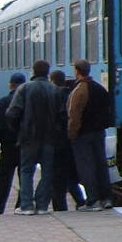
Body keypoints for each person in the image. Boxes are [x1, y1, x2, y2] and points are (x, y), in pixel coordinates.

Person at [6, 59, 66, 215]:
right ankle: (42, 205)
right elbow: (63, 116)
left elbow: (12, 113)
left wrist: (18, 129)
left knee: (26, 170)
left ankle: (26, 205)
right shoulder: (55, 91)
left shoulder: (24, 89)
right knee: (47, 172)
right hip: (49, 138)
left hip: (28, 137)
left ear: (33, 71)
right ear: (47, 72)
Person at [67, 59, 113, 210]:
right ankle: (106, 198)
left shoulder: (79, 90)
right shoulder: (99, 88)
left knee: (86, 166)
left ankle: (93, 200)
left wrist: (72, 134)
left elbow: (74, 115)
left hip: (83, 134)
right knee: (101, 164)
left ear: (77, 71)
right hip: (99, 132)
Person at [48, 69, 86, 211]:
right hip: (71, 141)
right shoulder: (72, 93)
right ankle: (80, 201)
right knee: (71, 176)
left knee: (57, 178)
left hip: (58, 142)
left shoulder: (53, 96)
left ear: (52, 81)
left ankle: (60, 207)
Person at [0, 72, 26, 214]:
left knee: (3, 180)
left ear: (10, 85)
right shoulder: (27, 102)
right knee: (25, 178)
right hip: (25, 145)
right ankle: (22, 205)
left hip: (8, 146)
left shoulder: (3, 102)